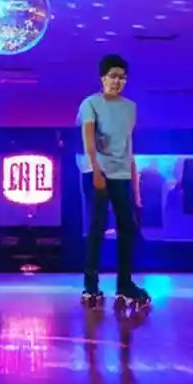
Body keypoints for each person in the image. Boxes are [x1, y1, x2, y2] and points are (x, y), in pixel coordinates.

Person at [78, 54, 149, 308]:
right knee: (97, 226)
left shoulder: (130, 107)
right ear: (102, 78)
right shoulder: (91, 103)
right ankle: (91, 283)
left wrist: (135, 185)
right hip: (97, 171)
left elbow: (129, 145)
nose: (117, 81)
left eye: (122, 77)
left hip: (122, 172)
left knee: (127, 227)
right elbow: (88, 139)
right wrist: (96, 169)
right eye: (113, 76)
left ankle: (125, 283)